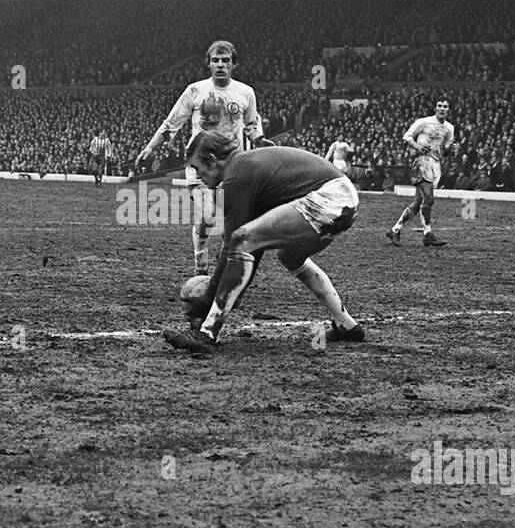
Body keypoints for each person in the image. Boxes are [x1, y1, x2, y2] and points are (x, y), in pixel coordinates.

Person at [164, 132, 362, 354]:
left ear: (212, 160)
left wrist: (209, 298)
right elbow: (250, 251)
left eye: (197, 168)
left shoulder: (236, 175)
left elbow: (234, 243)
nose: (198, 176)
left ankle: (207, 334)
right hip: (344, 200)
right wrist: (227, 291)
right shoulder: (245, 166)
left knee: (241, 239)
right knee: (288, 257)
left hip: (330, 199)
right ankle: (346, 325)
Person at [135, 40, 266, 273]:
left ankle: (222, 270)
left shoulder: (246, 93)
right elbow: (171, 123)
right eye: (215, 60)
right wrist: (149, 148)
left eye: (225, 60)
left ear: (234, 64)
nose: (220, 65)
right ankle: (201, 269)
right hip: (201, 163)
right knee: (206, 218)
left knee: (232, 227)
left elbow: (251, 124)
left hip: (233, 164)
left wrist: (258, 139)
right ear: (208, 63)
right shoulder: (195, 90)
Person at [388, 100, 456, 247]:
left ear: (449, 109)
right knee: (429, 197)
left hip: (436, 164)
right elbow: (407, 136)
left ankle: (395, 230)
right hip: (422, 161)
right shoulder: (425, 122)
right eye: (439, 106)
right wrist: (418, 147)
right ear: (435, 108)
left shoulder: (450, 128)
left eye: (445, 106)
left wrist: (451, 151)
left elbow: (446, 150)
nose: (442, 109)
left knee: (419, 202)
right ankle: (428, 234)